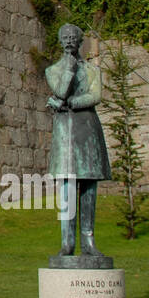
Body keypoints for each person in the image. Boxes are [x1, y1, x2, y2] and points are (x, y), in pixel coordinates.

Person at [44, 23, 110, 257]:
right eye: (65, 37)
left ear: (80, 41)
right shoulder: (52, 70)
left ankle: (89, 241)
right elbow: (60, 91)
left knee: (89, 186)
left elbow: (96, 96)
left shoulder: (93, 70)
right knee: (67, 187)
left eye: (73, 37)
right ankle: (67, 242)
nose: (70, 40)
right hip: (66, 131)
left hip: (87, 128)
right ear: (60, 41)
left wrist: (72, 103)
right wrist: (70, 69)